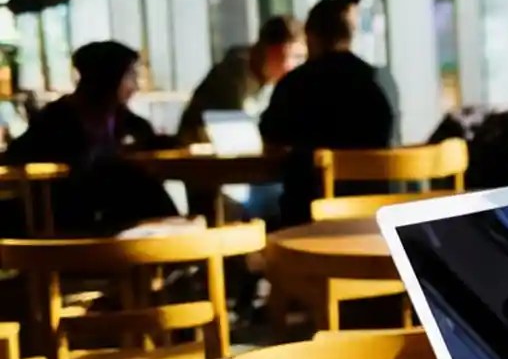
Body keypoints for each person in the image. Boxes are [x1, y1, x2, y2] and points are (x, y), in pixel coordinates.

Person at [1, 41, 177, 233]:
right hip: (67, 217)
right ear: (109, 78)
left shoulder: (128, 122)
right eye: (130, 76)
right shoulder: (57, 120)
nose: (135, 86)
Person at [260, 0, 395, 225]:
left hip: (308, 221)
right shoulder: (381, 82)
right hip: (376, 215)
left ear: (311, 36)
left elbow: (270, 141)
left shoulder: (295, 85)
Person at [177, 15, 304, 144]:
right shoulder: (230, 78)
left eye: (299, 58)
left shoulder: (280, 84)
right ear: (265, 51)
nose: (291, 66)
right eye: (285, 57)